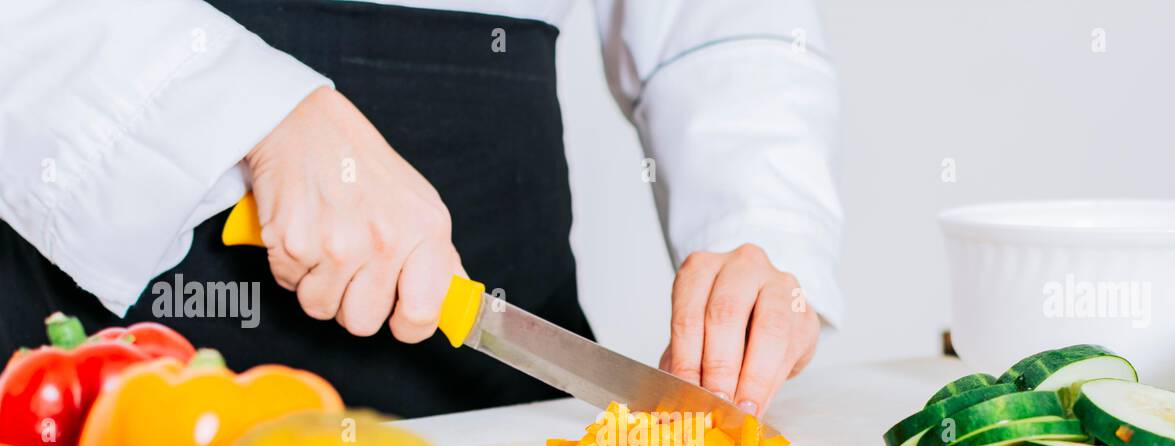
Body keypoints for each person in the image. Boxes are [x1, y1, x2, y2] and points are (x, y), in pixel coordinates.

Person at [0, 0, 842, 419]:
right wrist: (240, 112)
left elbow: (725, 25)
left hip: (493, 302)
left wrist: (760, 228)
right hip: (101, 318)